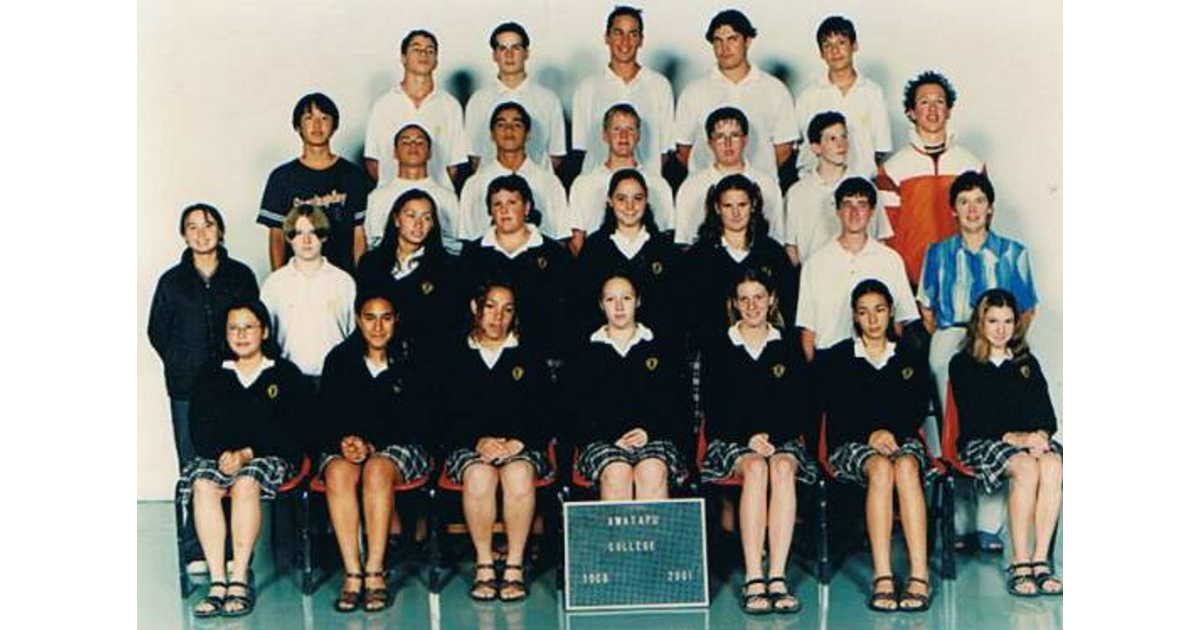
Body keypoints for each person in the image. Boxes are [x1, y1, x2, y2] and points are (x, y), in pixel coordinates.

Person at [918, 171, 1039, 549]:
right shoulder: (938, 252)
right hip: (953, 336)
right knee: (955, 426)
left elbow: (1027, 308)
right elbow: (927, 307)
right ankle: (958, 521)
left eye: (979, 201)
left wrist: (1001, 340)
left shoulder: (1012, 252)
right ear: (953, 209)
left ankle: (988, 525)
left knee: (994, 423)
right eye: (963, 202)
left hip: (998, 341)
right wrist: (956, 340)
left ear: (990, 208)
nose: (972, 209)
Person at [149, 203, 259, 573]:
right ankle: (196, 546)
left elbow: (254, 323)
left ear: (221, 231)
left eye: (208, 225)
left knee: (229, 462)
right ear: (184, 236)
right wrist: (182, 362)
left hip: (233, 384)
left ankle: (233, 546)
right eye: (192, 227)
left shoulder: (240, 275)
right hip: (186, 388)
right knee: (194, 465)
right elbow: (157, 331)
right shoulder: (171, 282)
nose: (201, 232)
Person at [181, 300, 308, 618]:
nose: (241, 335)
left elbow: (292, 431)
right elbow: (198, 426)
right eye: (233, 328)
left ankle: (239, 577)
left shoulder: (284, 374)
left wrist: (247, 453)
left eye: (248, 327)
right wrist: (221, 454)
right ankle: (217, 581)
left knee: (246, 483)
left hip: (267, 457)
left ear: (264, 331)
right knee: (204, 485)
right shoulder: (212, 374)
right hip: (221, 457)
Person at [701, 270, 817, 615]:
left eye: (759, 297)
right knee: (754, 468)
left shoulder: (788, 346)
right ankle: (754, 576)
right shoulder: (719, 346)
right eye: (744, 299)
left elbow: (801, 405)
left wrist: (774, 438)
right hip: (732, 441)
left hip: (780, 440)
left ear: (772, 301)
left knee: (781, 467)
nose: (752, 306)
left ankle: (777, 577)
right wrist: (747, 438)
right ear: (734, 304)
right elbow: (713, 407)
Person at [819, 279, 933, 612]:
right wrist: (870, 435)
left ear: (891, 312)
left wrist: (891, 433)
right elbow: (837, 410)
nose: (872, 320)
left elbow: (915, 408)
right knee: (882, 469)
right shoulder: (839, 358)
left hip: (901, 439)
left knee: (907, 466)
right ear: (855, 317)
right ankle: (883, 576)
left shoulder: (909, 355)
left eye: (880, 310)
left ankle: (918, 575)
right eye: (864, 312)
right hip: (852, 443)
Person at [316, 293, 432, 613]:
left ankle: (375, 572)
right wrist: (344, 442)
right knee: (338, 472)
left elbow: (422, 421)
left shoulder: (412, 360)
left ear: (396, 320)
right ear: (357, 319)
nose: (378, 326)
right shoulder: (339, 359)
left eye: (386, 317)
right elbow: (325, 416)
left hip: (401, 447)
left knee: (377, 469)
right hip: (349, 447)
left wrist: (372, 445)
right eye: (370, 317)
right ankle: (353, 572)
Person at [439, 282, 553, 602]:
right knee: (479, 475)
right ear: (476, 308)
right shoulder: (455, 354)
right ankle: (485, 564)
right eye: (490, 307)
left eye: (507, 309)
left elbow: (547, 412)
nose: (497, 317)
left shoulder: (528, 353)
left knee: (517, 474)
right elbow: (442, 415)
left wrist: (521, 442)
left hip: (521, 447)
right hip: (471, 447)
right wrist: (477, 442)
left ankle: (515, 565)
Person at [949, 289, 1062, 598]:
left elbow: (1046, 415)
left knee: (1053, 464)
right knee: (1026, 468)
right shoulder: (964, 364)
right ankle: (1019, 562)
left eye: (1008, 321)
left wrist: (1039, 435)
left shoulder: (1026, 363)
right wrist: (1014, 438)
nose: (1001, 329)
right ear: (980, 323)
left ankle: (1041, 561)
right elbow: (975, 420)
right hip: (981, 442)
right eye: (993, 321)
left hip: (1024, 442)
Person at [569, 275, 689, 499]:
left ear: (638, 301)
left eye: (626, 298)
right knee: (617, 472)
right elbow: (575, 412)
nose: (619, 306)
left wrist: (648, 432)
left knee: (651, 470)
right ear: (601, 304)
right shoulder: (584, 352)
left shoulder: (662, 348)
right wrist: (611, 436)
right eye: (610, 299)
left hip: (655, 439)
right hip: (602, 441)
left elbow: (677, 406)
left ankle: (653, 536)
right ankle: (619, 536)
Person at [877, 71, 985, 286]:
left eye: (939, 101)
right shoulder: (892, 170)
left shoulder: (972, 165)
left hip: (964, 281)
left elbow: (983, 228)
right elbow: (886, 236)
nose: (933, 109)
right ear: (911, 112)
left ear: (949, 110)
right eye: (924, 102)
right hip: (912, 284)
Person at [796, 177, 917, 363]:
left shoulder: (890, 260)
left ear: (872, 211)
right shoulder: (816, 263)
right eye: (847, 205)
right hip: (830, 363)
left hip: (878, 361)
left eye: (861, 205)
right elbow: (807, 331)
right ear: (837, 211)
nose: (854, 213)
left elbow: (899, 323)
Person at [674, 8, 797, 183]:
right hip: (707, 191)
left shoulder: (774, 90)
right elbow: (683, 149)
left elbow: (784, 147)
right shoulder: (693, 92)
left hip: (759, 190)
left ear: (748, 41)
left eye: (732, 39)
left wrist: (754, 175)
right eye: (718, 41)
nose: (725, 48)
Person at [458, 174, 571, 363]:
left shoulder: (554, 254)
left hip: (541, 356)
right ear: (490, 211)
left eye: (512, 202)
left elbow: (566, 312)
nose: (504, 210)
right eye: (497, 204)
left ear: (527, 207)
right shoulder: (473, 255)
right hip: (487, 355)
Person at [258, 92, 373, 273]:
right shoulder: (281, 177)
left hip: (342, 277)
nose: (317, 125)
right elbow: (277, 236)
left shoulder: (353, 175)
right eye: (309, 118)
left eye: (324, 118)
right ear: (298, 126)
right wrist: (279, 280)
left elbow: (359, 234)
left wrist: (360, 282)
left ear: (334, 126)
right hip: (297, 278)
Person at [686, 173, 795, 350]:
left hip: (764, 350)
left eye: (742, 205)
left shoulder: (773, 253)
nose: (736, 213)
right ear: (717, 208)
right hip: (713, 352)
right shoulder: (698, 256)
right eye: (728, 205)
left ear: (753, 205)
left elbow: (788, 306)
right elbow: (689, 312)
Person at [574, 169, 682, 346]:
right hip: (605, 349)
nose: (630, 207)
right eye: (621, 199)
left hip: (656, 350)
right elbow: (583, 307)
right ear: (610, 201)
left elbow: (674, 310)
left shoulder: (665, 249)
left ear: (646, 201)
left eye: (637, 198)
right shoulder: (594, 248)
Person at [571, 5, 675, 178]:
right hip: (598, 189)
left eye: (632, 34)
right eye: (618, 33)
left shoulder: (659, 86)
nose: (625, 42)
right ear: (607, 37)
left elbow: (664, 151)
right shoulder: (587, 88)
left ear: (641, 40)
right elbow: (581, 149)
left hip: (644, 190)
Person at [357, 188, 457, 364]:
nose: (419, 224)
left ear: (433, 224)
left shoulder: (447, 268)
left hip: (428, 362)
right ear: (396, 219)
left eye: (426, 218)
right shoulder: (371, 264)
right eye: (411, 216)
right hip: (380, 360)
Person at [259, 205, 357, 383]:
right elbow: (264, 339)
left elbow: (355, 335)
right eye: (298, 233)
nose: (306, 240)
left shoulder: (344, 282)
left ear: (324, 236)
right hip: (288, 380)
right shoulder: (274, 284)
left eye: (313, 232)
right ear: (289, 238)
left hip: (335, 378)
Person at [784, 111, 891, 266]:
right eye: (832, 139)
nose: (841, 145)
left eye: (844, 137)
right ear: (816, 147)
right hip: (816, 277)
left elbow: (880, 239)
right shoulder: (797, 193)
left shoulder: (866, 188)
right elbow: (791, 248)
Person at [567, 103, 676, 255]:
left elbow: (666, 240)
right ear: (605, 135)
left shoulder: (659, 184)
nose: (623, 136)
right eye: (616, 129)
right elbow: (577, 242)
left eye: (630, 129)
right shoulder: (583, 184)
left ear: (638, 135)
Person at [364, 29, 467, 188]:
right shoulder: (383, 105)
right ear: (403, 58)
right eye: (416, 49)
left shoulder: (450, 106)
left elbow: (454, 164)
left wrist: (435, 191)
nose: (423, 54)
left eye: (430, 50)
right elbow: (373, 161)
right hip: (393, 199)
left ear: (436, 60)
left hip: (437, 200)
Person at [458, 102, 571, 244]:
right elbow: (468, 241)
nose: (509, 130)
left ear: (528, 133)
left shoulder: (550, 183)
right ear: (492, 134)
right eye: (501, 124)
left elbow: (561, 238)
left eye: (517, 124)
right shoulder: (473, 185)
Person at [794, 16, 892, 177]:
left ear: (854, 45)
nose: (835, 51)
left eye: (841, 43)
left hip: (859, 187)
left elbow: (880, 150)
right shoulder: (808, 96)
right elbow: (797, 146)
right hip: (815, 184)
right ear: (821, 53)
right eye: (827, 45)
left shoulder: (873, 93)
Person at [464, 21, 567, 172]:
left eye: (516, 48)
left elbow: (556, 154)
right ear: (494, 55)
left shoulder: (548, 100)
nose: (509, 54)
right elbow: (475, 156)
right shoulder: (478, 100)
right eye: (502, 48)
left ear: (526, 53)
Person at [674, 107, 785, 245]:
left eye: (735, 136)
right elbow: (683, 241)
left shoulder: (767, 185)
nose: (728, 144)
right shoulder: (691, 187)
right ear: (710, 143)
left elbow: (777, 238)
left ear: (745, 139)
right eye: (720, 137)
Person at [363, 122, 461, 254]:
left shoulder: (447, 197)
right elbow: (373, 244)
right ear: (395, 153)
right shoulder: (377, 197)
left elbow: (454, 245)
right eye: (406, 142)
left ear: (430, 153)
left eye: (420, 142)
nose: (413, 146)